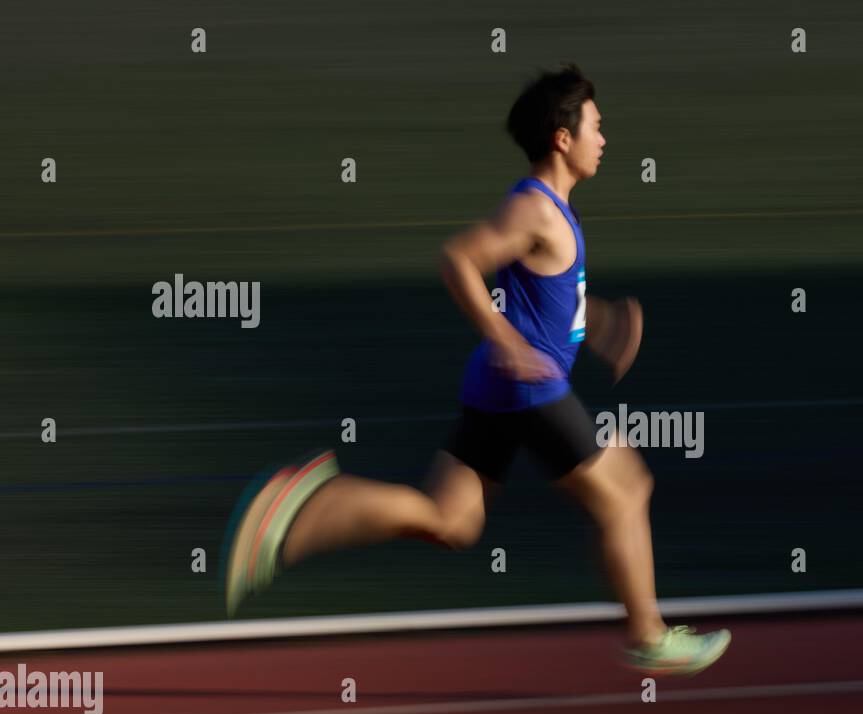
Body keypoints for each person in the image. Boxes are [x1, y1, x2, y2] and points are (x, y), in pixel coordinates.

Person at [223, 63, 731, 676]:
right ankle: (649, 637)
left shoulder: (552, 214)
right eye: (596, 126)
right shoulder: (535, 209)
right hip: (530, 389)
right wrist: (505, 339)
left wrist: (598, 323)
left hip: (500, 389)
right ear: (561, 138)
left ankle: (294, 514)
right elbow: (458, 258)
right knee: (628, 489)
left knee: (451, 521)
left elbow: (547, 296)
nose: (604, 139)